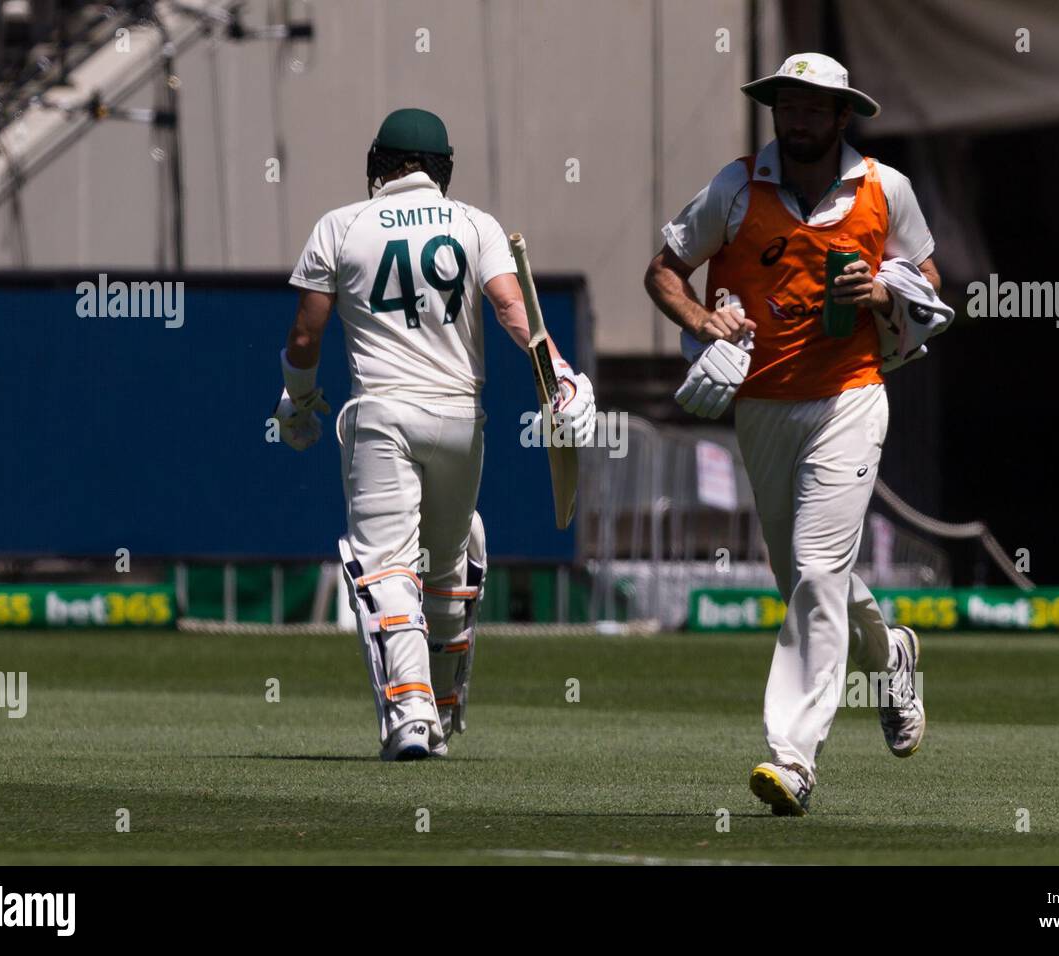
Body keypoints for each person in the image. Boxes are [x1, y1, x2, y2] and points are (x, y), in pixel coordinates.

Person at [644, 54, 941, 815]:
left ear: (843, 115)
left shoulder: (885, 189)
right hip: (763, 404)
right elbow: (665, 271)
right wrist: (702, 320)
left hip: (850, 396)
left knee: (814, 568)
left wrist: (880, 289)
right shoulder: (736, 186)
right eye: (788, 105)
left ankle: (794, 757)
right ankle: (890, 652)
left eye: (814, 107)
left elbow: (930, 282)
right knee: (806, 578)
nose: (798, 118)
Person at [274, 108, 596, 760]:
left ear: (377, 164)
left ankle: (413, 709)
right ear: (441, 166)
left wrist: (299, 402)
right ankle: (444, 708)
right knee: (446, 564)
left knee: (388, 564)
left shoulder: (341, 225)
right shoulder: (474, 224)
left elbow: (306, 335)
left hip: (383, 414)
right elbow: (514, 308)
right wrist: (559, 375)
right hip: (458, 418)